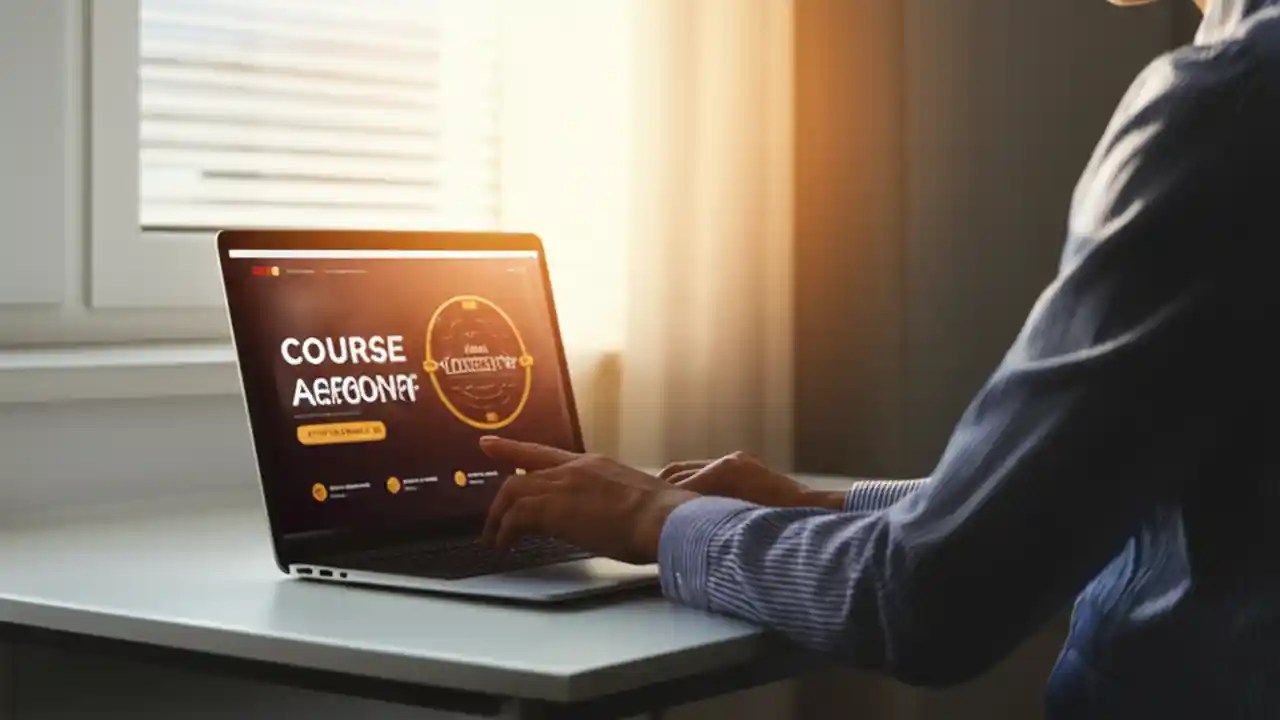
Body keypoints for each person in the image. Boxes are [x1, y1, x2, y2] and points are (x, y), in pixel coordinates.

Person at [478, 0, 1280, 716]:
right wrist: (816, 504)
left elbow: (932, 598)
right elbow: (1115, 498)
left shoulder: (1228, 108)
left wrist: (653, 518)